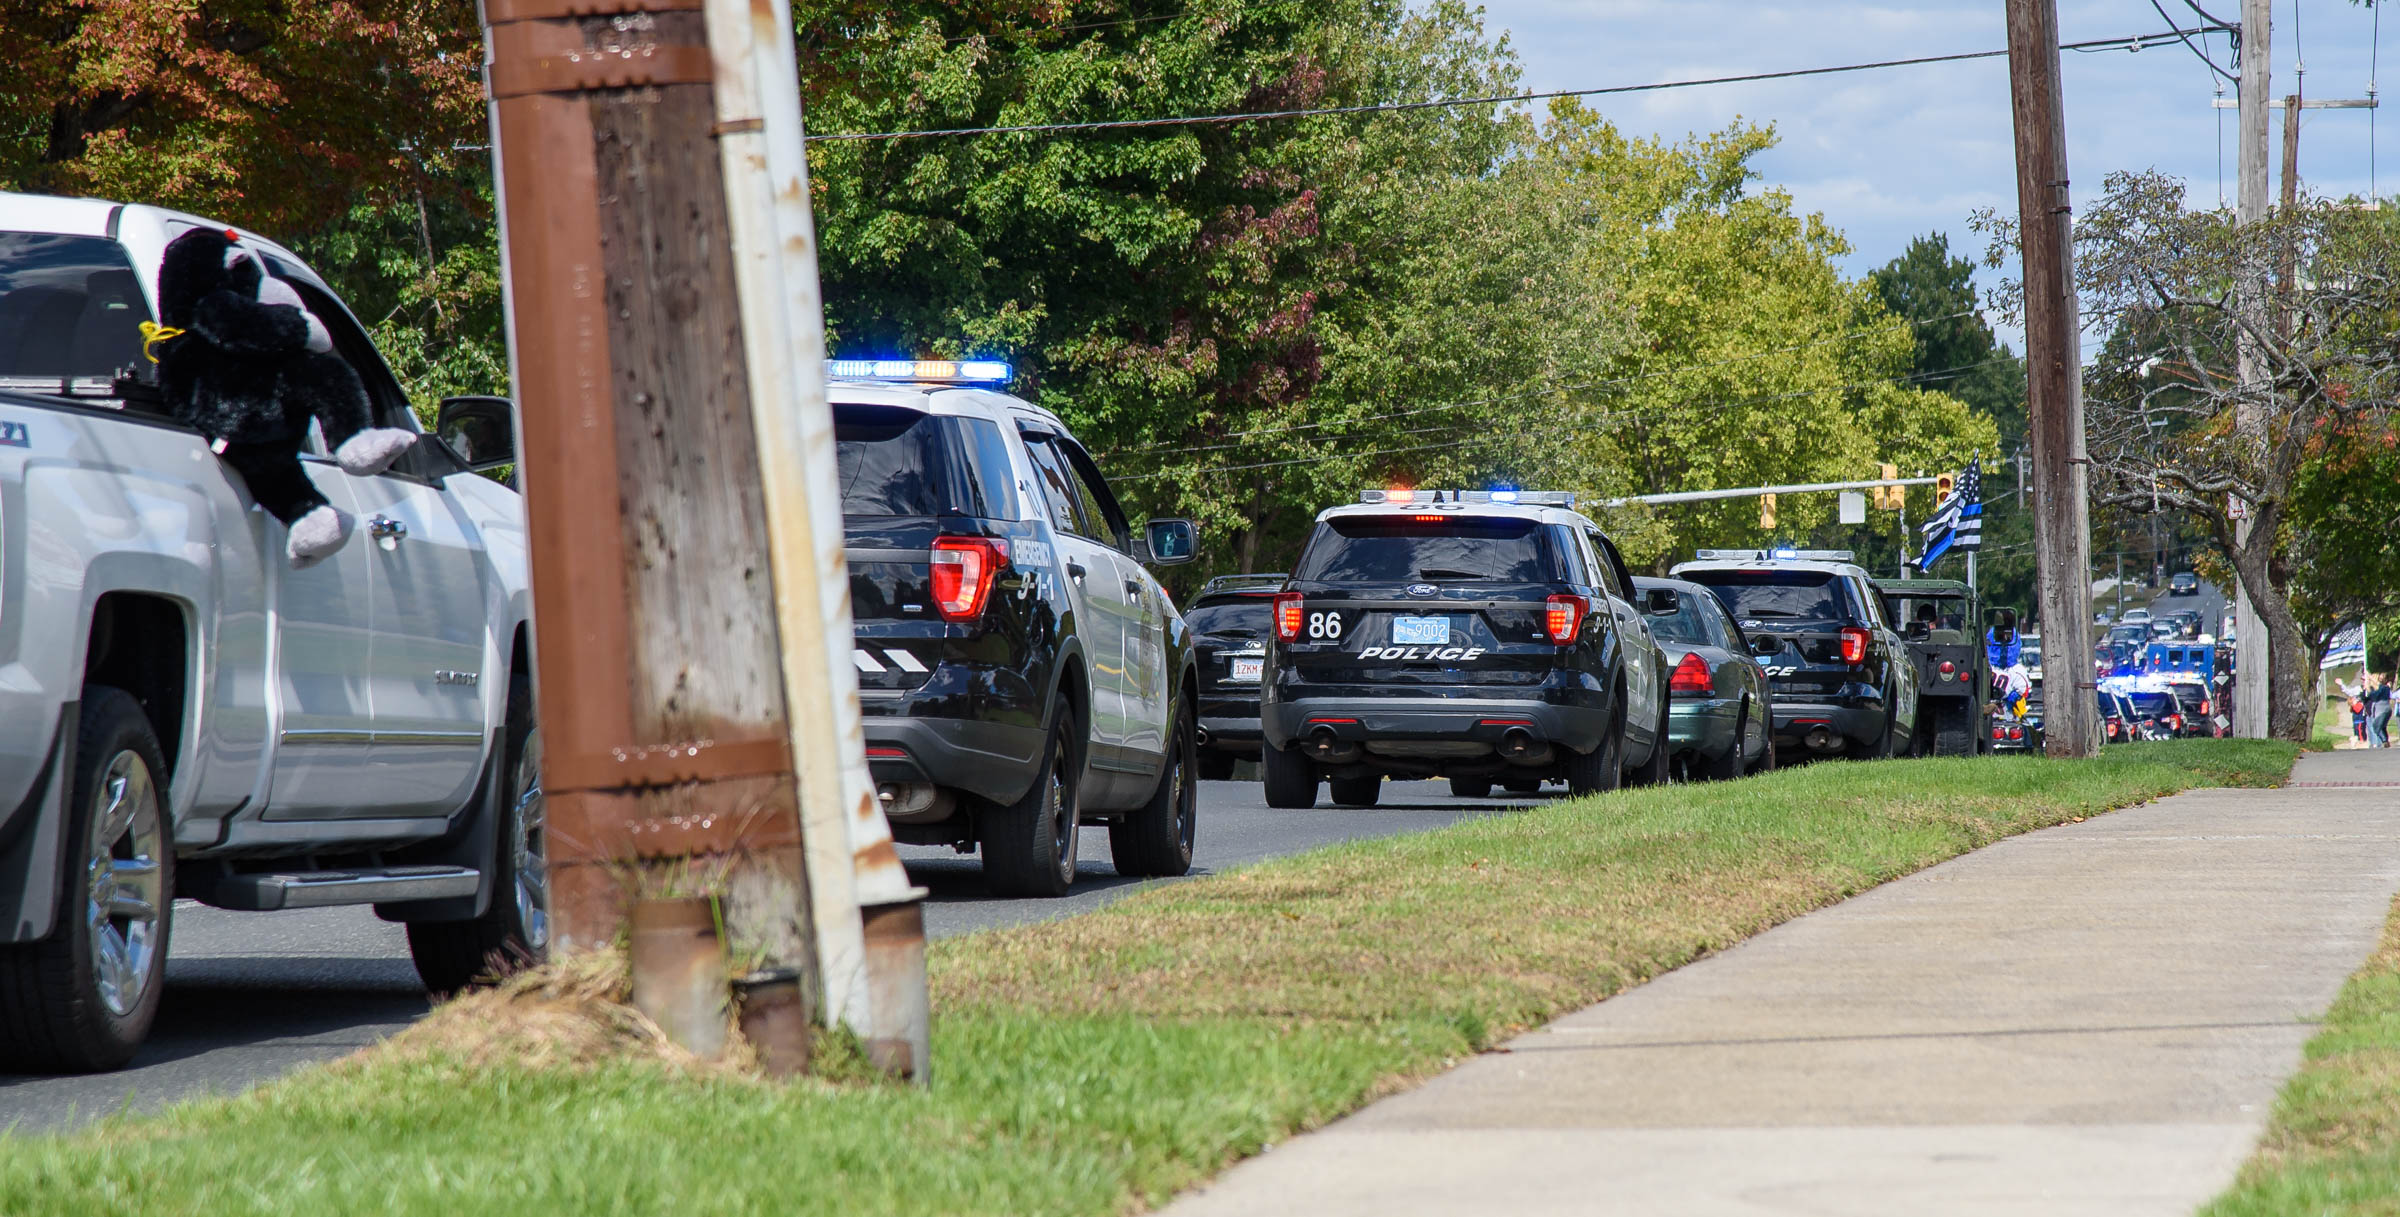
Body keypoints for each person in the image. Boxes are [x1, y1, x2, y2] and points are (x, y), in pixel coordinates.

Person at [2369, 673, 2395, 749]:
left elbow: (2375, 696)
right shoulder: (2385, 688)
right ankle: (2386, 740)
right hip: (2386, 709)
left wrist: (2370, 691)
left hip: (2382, 710)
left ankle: (2384, 741)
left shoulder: (2384, 688)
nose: (2380, 679)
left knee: (2376, 726)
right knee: (2382, 727)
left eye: (2382, 678)